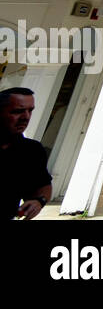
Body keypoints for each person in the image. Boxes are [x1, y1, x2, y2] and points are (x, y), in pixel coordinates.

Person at [1, 87, 51, 220]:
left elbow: (43, 185)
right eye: (18, 111)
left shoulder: (32, 150)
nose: (26, 117)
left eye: (30, 111)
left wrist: (39, 201)